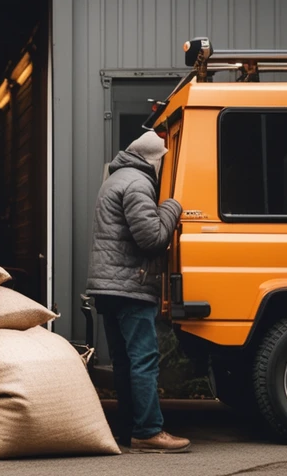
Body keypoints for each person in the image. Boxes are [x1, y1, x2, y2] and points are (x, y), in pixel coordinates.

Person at [85, 130, 190, 453]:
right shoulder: (138, 183)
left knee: (124, 361)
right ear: (154, 161)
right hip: (130, 285)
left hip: (108, 287)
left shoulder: (115, 179)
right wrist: (172, 207)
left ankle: (129, 428)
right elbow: (152, 238)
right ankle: (148, 430)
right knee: (143, 360)